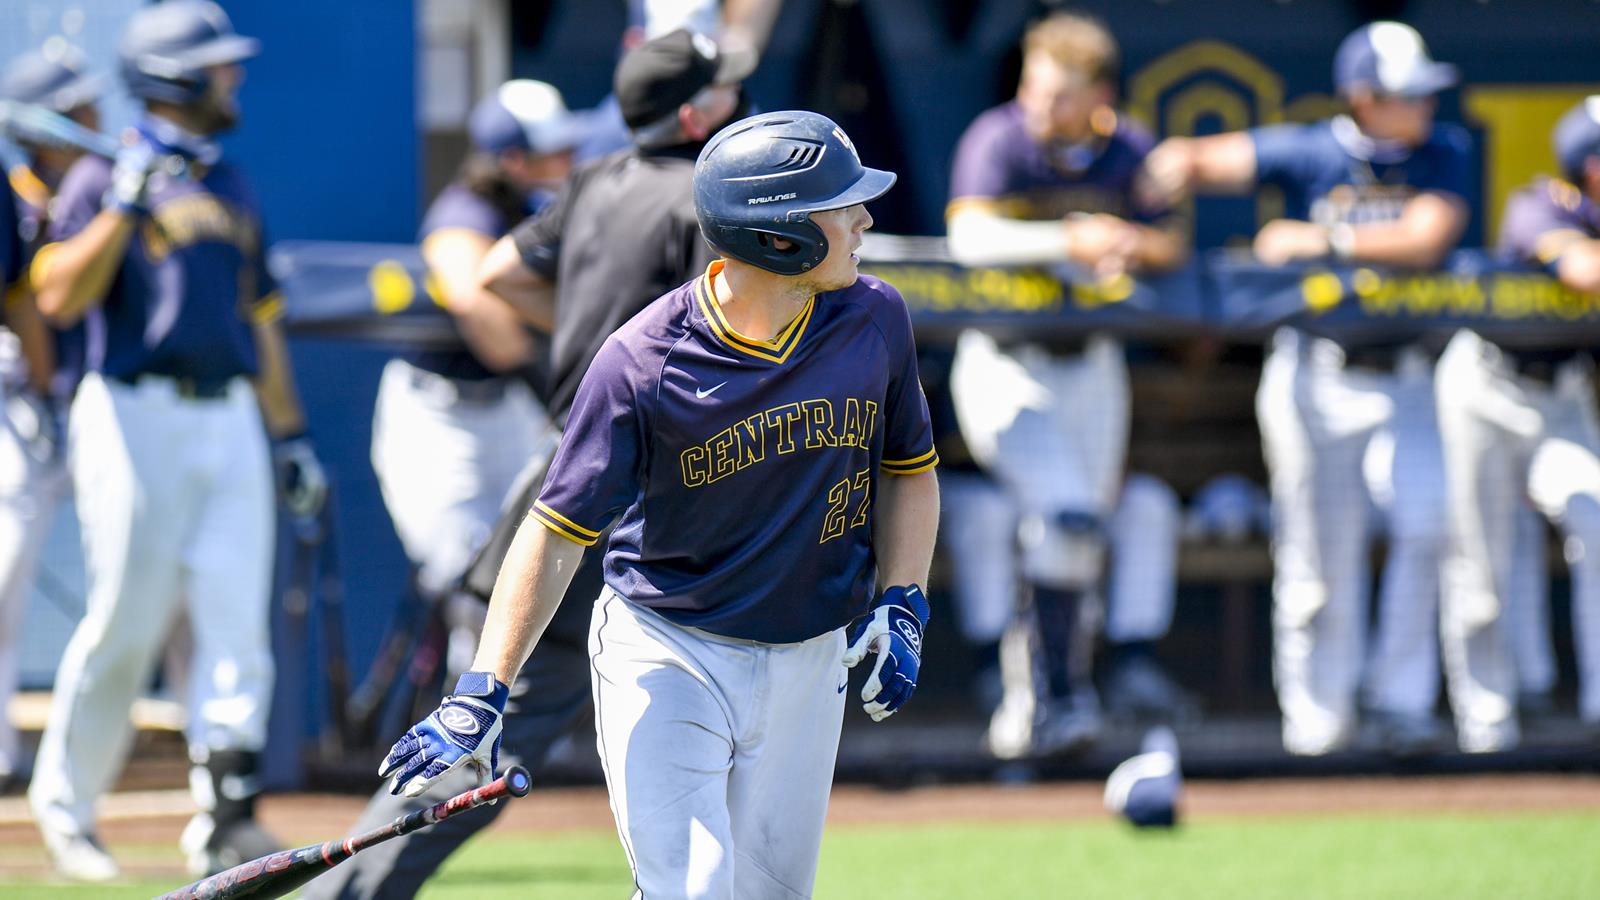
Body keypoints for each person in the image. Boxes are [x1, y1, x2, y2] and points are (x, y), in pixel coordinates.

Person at [379, 109, 940, 900]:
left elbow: (909, 470)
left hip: (810, 654)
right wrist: (483, 688)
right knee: (695, 887)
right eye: (839, 204)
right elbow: (556, 530)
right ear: (779, 238)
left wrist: (904, 598)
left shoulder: (874, 316)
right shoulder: (642, 360)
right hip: (672, 649)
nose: (864, 218)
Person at [302, 28, 754, 899]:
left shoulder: (596, 183)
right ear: (698, 112)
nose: (741, 102)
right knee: (722, 724)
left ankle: (345, 891)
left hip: (565, 472)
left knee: (490, 729)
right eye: (726, 94)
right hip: (657, 499)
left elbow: (504, 272)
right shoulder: (701, 203)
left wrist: (597, 327)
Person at [26, 1, 325, 880]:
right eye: (218, 64)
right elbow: (55, 298)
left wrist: (292, 435)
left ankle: (226, 815)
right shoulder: (100, 173)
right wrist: (120, 206)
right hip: (131, 406)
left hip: (228, 411)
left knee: (237, 614)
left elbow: (259, 320)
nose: (233, 77)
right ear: (175, 77)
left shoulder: (230, 181)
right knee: (127, 617)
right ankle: (68, 809)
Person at [1140, 21, 1470, 754]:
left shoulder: (1444, 151)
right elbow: (1201, 158)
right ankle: (1320, 724)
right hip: (1316, 372)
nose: (1422, 106)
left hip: (1405, 374)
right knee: (1320, 556)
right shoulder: (1316, 148)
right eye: (1405, 95)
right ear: (1364, 98)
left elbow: (1426, 237)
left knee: (1429, 525)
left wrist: (1318, 240)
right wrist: (1164, 165)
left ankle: (1401, 702)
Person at [943, 11, 1190, 760]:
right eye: (1034, 87)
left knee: (1073, 537)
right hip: (1006, 362)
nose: (1039, 106)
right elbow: (969, 238)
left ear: (1099, 96)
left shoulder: (1128, 146)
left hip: (1092, 364)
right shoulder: (999, 137)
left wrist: (1125, 240)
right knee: (1066, 514)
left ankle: (1043, 706)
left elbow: (1172, 243)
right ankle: (1055, 698)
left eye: (1057, 95)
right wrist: (1067, 239)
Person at [370, 79, 576, 679]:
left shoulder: (543, 206)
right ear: (512, 160)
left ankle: (503, 729)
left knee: (522, 563)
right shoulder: (465, 211)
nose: (565, 162)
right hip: (440, 415)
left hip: (505, 406)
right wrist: (552, 354)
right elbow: (486, 319)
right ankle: (461, 743)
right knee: (463, 575)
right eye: (551, 152)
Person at [1432, 96, 1600, 751]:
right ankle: (1486, 725)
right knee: (1480, 557)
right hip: (1485, 386)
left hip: (1561, 398)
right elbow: (1583, 269)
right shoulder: (1544, 202)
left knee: (1596, 516)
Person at [0, 40, 103, 787]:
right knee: (6, 575)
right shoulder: (15, 186)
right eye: (76, 109)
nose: (92, 118)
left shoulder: (99, 187)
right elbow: (21, 300)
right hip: (24, 390)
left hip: (93, 395)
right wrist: (42, 390)